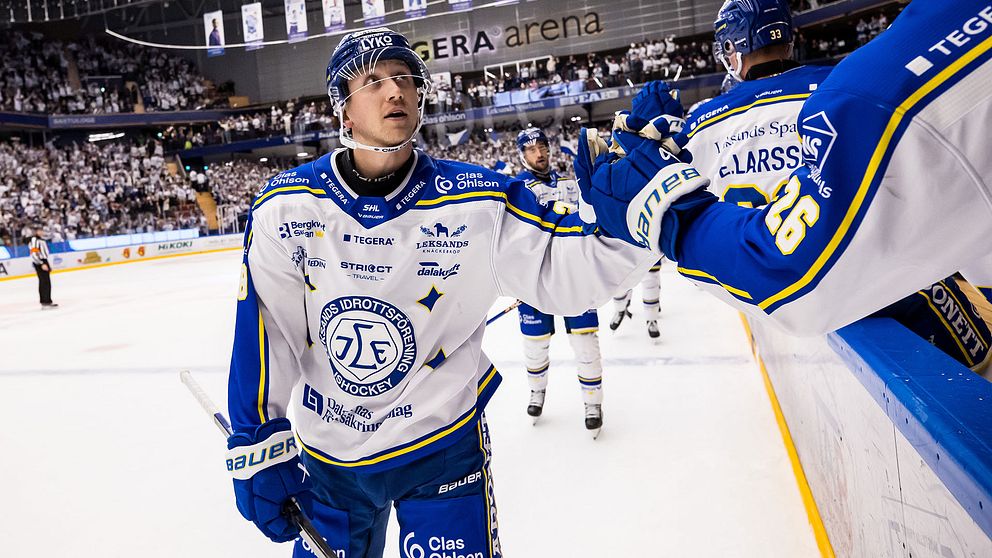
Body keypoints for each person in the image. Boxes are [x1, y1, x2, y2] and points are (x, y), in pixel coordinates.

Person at [224, 27, 658, 558]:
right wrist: (258, 441)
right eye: (373, 80)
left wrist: (638, 218)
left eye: (404, 78)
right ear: (344, 111)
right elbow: (267, 331)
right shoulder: (285, 208)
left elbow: (563, 268)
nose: (395, 91)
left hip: (440, 449)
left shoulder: (479, 201)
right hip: (330, 459)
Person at [574, 0, 992, 338]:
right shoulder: (842, 84)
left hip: (786, 283)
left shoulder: (702, 122)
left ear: (732, 51)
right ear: (788, 40)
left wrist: (658, 138)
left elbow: (652, 201)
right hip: (913, 284)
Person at [513, 127, 604, 433]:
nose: (539, 154)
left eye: (542, 147)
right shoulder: (516, 190)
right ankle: (536, 392)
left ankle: (593, 403)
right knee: (535, 345)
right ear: (521, 155)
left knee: (585, 342)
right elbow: (514, 241)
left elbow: (584, 221)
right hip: (535, 280)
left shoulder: (569, 183)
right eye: (530, 149)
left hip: (573, 275)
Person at [29, 229, 57, 309]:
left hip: (43, 261)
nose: (41, 232)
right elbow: (34, 252)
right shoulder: (34, 239)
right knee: (44, 282)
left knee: (46, 282)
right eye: (39, 230)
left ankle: (47, 300)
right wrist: (41, 263)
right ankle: (45, 302)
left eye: (42, 230)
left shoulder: (40, 239)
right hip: (40, 262)